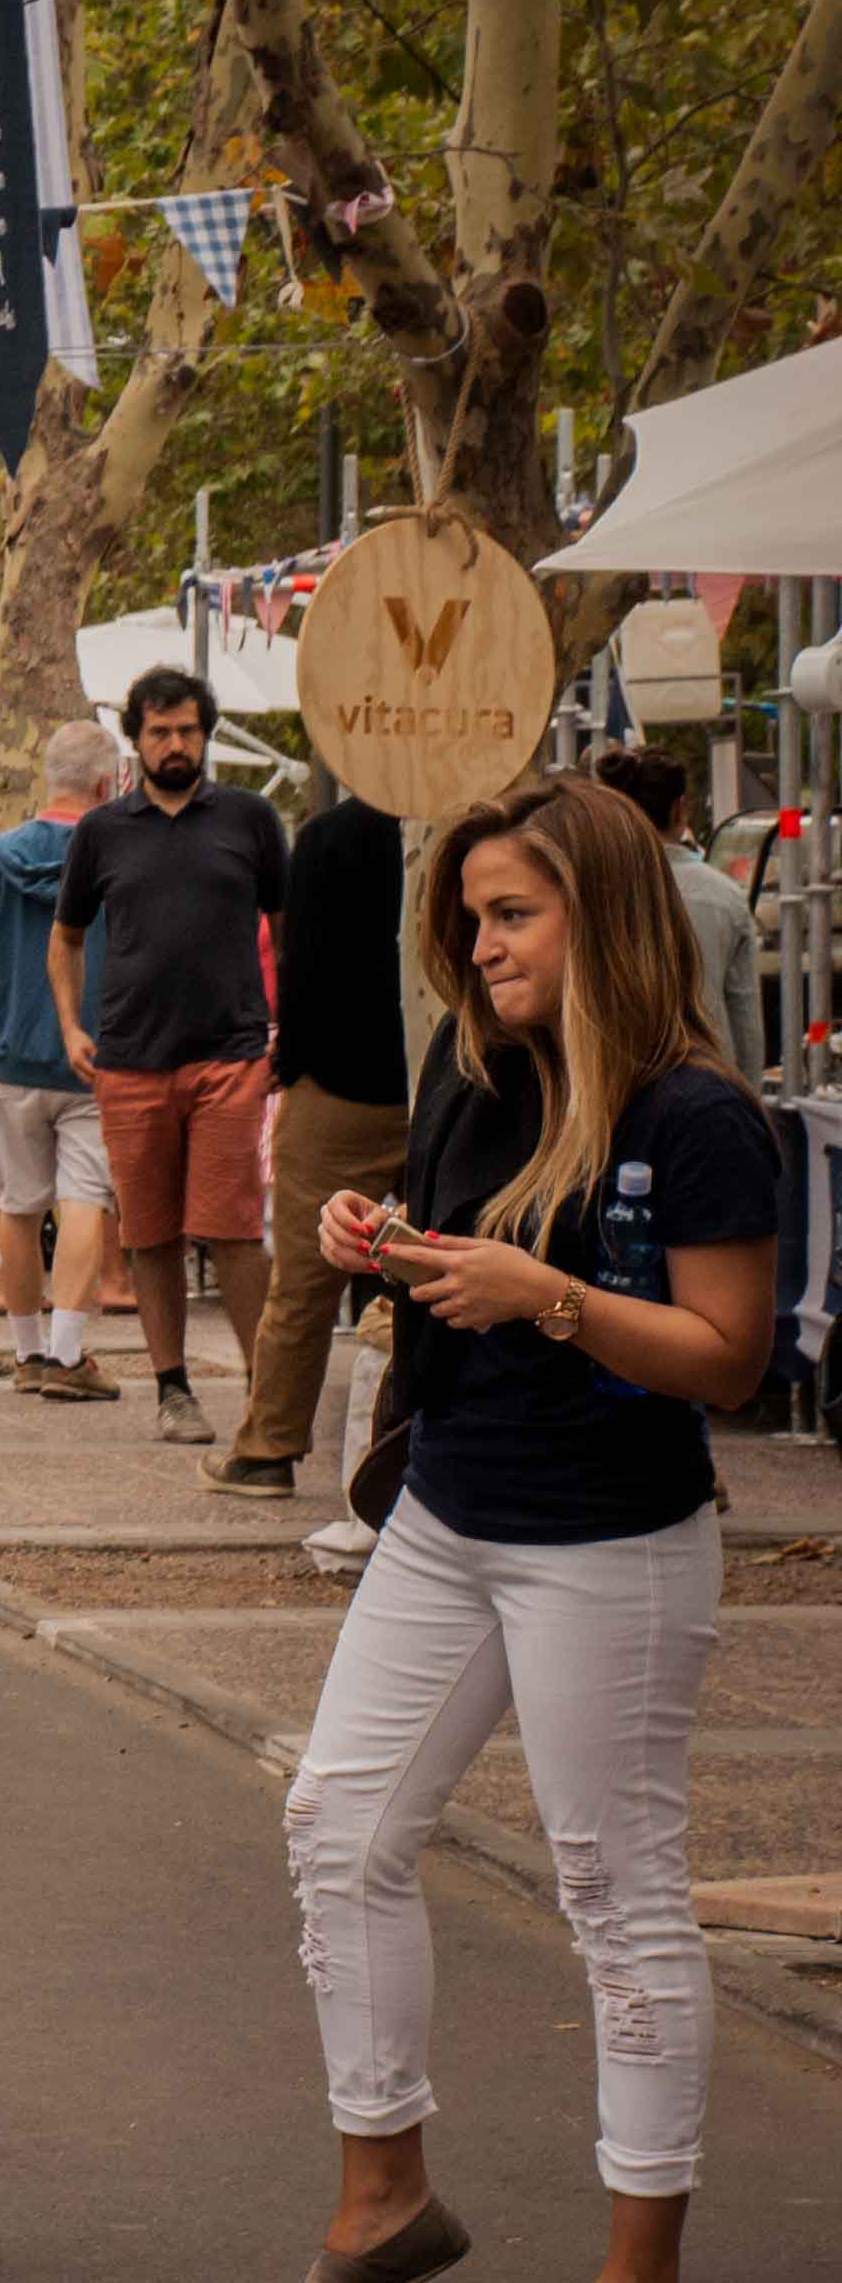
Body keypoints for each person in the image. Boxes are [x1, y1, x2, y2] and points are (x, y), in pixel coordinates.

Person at [283, 777, 775, 2283]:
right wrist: (376, 1241)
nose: (483, 948)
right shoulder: (470, 1068)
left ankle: (640, 2263)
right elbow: (458, 1259)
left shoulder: (695, 1115)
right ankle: (382, 2195)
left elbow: (732, 1358)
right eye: (472, 918)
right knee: (337, 1830)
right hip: (448, 1510)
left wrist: (547, 1299)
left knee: (616, 1894)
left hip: (609, 1541)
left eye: (513, 915)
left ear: (602, 918)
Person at [52, 664, 286, 1451]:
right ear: (137, 740)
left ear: (205, 734)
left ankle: (265, 1394)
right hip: (130, 1061)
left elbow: (286, 928)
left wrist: (289, 1023)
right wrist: (69, 1027)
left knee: (234, 1230)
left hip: (231, 1055)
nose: (175, 743)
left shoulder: (251, 819)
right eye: (160, 731)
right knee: (148, 1234)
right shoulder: (102, 831)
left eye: (187, 729)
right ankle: (173, 1387)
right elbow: (67, 937)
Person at [218, 793, 412, 1498]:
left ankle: (267, 1450)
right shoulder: (472, 821)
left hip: (337, 1087)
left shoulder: (332, 836)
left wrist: (291, 1063)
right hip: (447, 1080)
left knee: (303, 1279)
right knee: (458, 1267)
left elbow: (304, 966)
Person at [0, 720, 125, 1401]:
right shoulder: (115, 857)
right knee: (84, 1200)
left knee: (17, 1208)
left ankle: (26, 1353)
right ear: (108, 785)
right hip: (93, 1058)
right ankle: (68, 1354)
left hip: (9, 1061)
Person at [591, 744, 764, 1087]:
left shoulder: (590, 890)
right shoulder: (724, 895)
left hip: (613, 1089)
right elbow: (745, 1018)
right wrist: (749, 1099)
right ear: (680, 808)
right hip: (709, 1089)